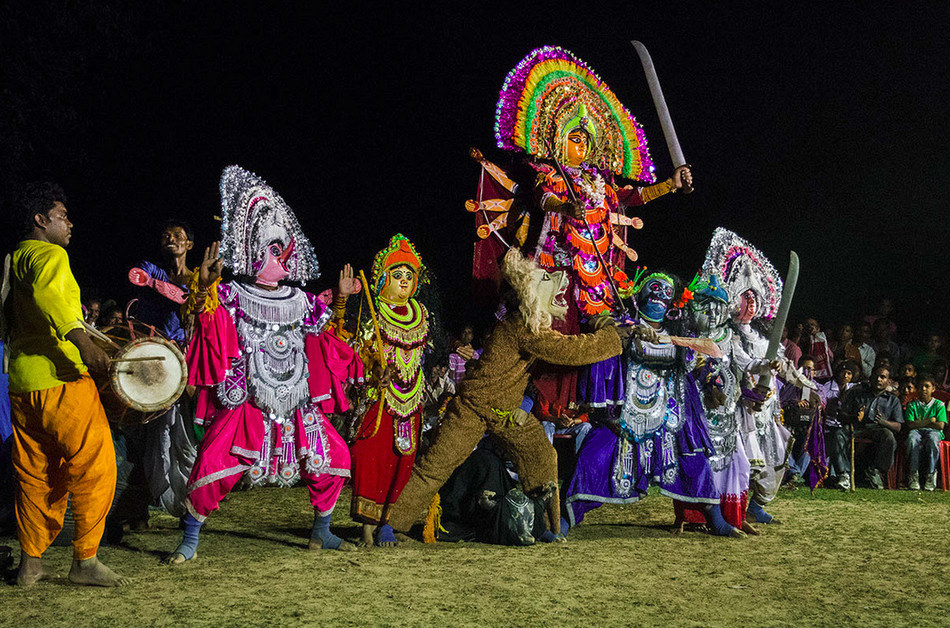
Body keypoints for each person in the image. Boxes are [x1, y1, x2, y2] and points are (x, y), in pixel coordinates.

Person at [383, 248, 648, 544]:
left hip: (506, 413)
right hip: (473, 408)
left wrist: (604, 324)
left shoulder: (527, 324)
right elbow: (569, 350)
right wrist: (614, 339)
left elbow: (570, 335)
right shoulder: (521, 327)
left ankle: (546, 527)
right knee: (436, 465)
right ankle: (392, 524)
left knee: (541, 457)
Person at [165, 166, 362, 562]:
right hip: (249, 401)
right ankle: (189, 540)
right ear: (255, 253)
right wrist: (205, 289)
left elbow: (327, 339)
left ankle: (321, 531)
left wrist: (341, 300)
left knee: (335, 457)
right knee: (213, 462)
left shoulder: (300, 299)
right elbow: (211, 327)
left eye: (285, 251)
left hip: (298, 403)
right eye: (276, 252)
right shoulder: (233, 294)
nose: (284, 259)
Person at [2, 182, 127, 586]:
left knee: (36, 475)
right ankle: (85, 560)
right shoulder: (49, 254)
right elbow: (54, 301)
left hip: (22, 384)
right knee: (96, 465)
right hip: (62, 379)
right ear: (41, 221)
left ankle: (31, 564)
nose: (70, 223)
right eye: (62, 216)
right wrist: (91, 352)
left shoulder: (13, 258)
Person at [349, 234, 431, 547]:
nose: (404, 282)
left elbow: (428, 353)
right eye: (397, 275)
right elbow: (361, 351)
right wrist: (374, 374)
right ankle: (367, 527)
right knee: (371, 457)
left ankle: (387, 524)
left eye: (409, 276)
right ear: (383, 279)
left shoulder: (422, 314)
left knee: (403, 460)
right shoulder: (373, 311)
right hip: (379, 397)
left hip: (412, 398)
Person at [842, 365, 903, 489]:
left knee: (888, 435)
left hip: (877, 430)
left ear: (888, 381)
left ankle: (876, 471)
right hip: (857, 428)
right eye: (876, 376)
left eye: (883, 377)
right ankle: (843, 473)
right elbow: (842, 414)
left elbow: (898, 426)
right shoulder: (857, 393)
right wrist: (854, 417)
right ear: (870, 377)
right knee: (839, 434)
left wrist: (883, 422)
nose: (879, 379)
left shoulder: (893, 400)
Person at [780, 356, 827, 489]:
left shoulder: (819, 388)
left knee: (810, 439)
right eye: (803, 369)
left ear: (815, 372)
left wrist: (810, 396)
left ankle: (795, 474)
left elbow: (821, 404)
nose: (807, 372)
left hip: (809, 425)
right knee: (782, 436)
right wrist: (795, 402)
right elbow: (781, 402)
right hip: (790, 423)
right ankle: (795, 472)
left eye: (810, 369)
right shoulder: (789, 385)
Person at [904, 375, 946, 491]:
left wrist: (920, 423)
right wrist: (929, 421)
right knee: (912, 439)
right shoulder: (912, 405)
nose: (923, 389)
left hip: (934, 432)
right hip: (916, 432)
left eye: (927, 386)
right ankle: (913, 475)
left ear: (933, 389)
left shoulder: (939, 405)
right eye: (921, 386)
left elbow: (940, 425)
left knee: (933, 439)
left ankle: (931, 474)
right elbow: (910, 425)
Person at [822, 360, 858, 490]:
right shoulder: (827, 387)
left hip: (846, 426)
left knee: (839, 436)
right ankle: (842, 474)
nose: (846, 376)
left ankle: (842, 475)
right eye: (843, 372)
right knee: (835, 437)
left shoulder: (854, 388)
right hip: (828, 425)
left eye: (849, 373)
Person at [803, 318, 834, 382]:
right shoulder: (803, 340)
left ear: (818, 328)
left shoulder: (822, 341)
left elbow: (830, 357)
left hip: (821, 378)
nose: (810, 327)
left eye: (812, 324)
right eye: (807, 325)